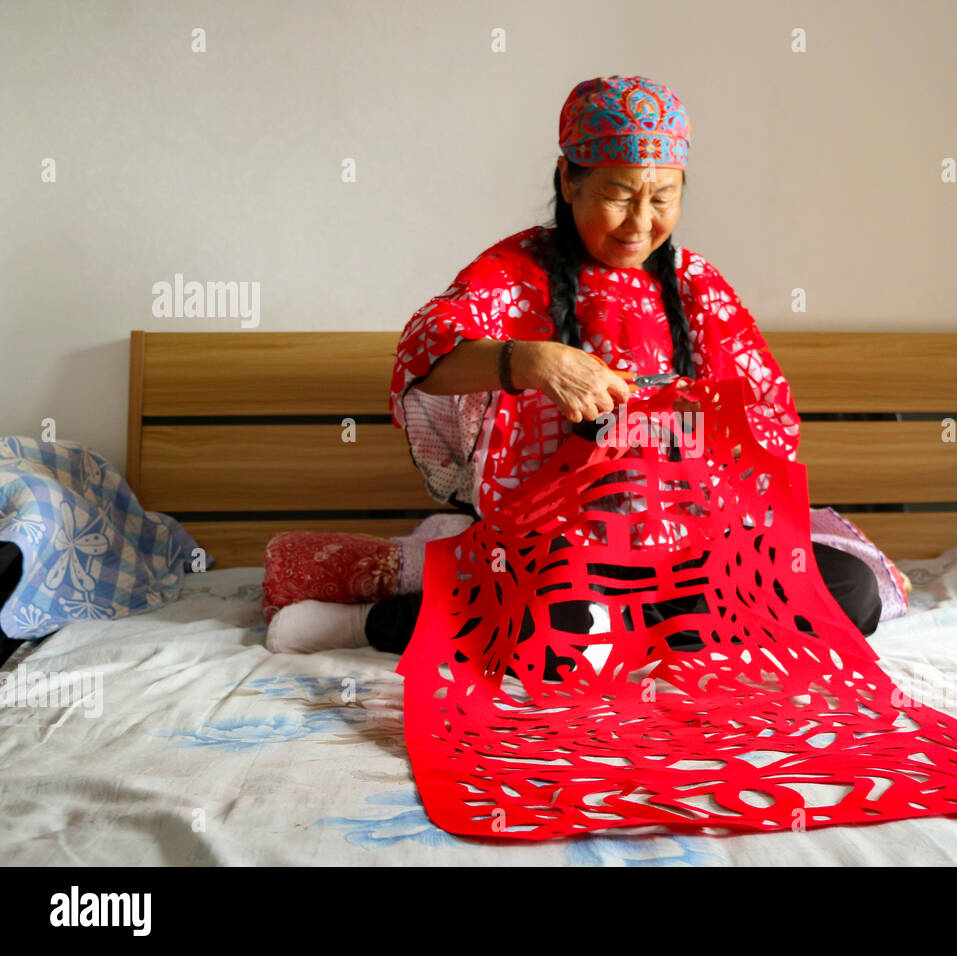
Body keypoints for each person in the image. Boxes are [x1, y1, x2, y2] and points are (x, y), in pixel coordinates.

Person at [267, 75, 881, 655]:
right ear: (569, 179)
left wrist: (688, 426)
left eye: (662, 198)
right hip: (561, 551)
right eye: (618, 196)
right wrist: (529, 361)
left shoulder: (697, 284)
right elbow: (421, 358)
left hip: (692, 544)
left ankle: (614, 634)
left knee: (850, 591)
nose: (641, 223)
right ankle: (377, 624)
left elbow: (771, 422)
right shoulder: (513, 272)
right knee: (558, 615)